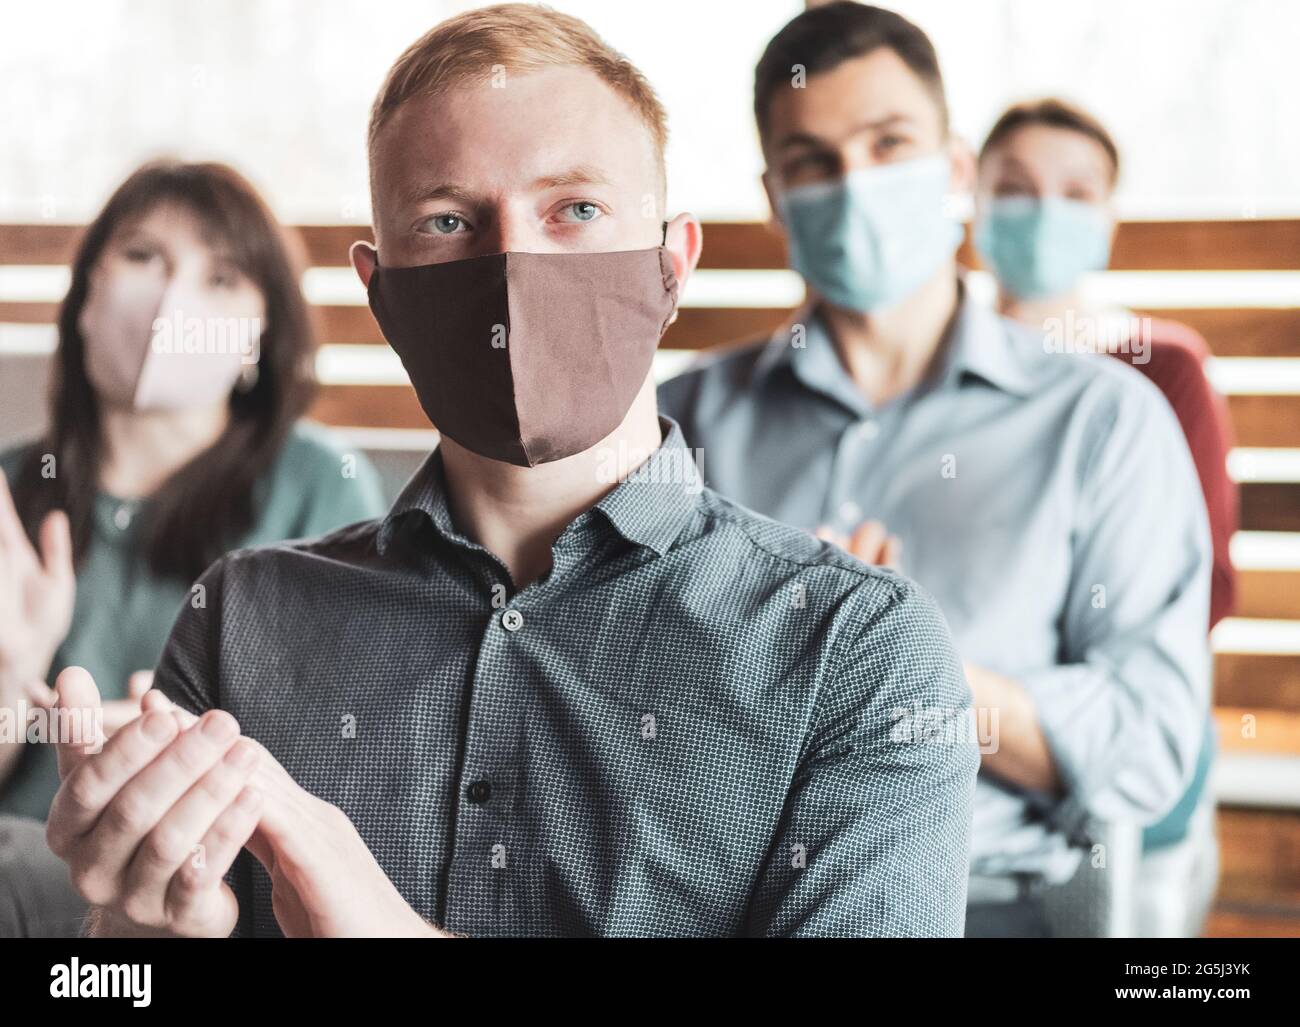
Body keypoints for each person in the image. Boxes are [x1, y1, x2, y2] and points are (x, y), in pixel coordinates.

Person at [43, 4, 978, 939]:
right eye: (448, 221)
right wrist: (148, 929)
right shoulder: (242, 619)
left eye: (575, 209)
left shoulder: (854, 650)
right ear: (382, 296)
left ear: (669, 264)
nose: (513, 268)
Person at [657, 1, 1211, 936]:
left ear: (954, 167)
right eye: (813, 162)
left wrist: (908, 660)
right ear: (774, 195)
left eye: (888, 143)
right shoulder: (680, 423)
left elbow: (1151, 744)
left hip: (985, 901)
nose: (855, 182)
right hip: (710, 900)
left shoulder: (1101, 423)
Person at [0, 159, 386, 936]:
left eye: (221, 276)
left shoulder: (322, 487)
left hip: (220, 894)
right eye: (144, 256)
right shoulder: (14, 488)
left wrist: (186, 748)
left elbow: (359, 770)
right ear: (84, 301)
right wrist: (10, 682)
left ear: (262, 331)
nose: (173, 300)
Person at [974, 98, 1236, 935]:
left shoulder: (1162, 373)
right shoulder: (926, 376)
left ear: (1110, 217)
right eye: (1015, 187)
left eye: (1077, 191)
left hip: (1106, 711)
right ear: (971, 204)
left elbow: (1201, 589)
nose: (1045, 211)